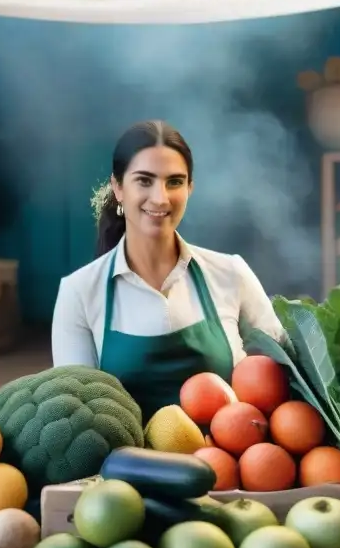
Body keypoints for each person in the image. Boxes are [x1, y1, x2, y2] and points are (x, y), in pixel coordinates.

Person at [51, 120, 284, 420]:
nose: (160, 198)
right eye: (144, 181)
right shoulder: (79, 293)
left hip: (227, 463)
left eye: (174, 181)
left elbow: (284, 370)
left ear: (190, 188)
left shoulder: (231, 274)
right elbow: (78, 413)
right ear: (118, 188)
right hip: (126, 465)